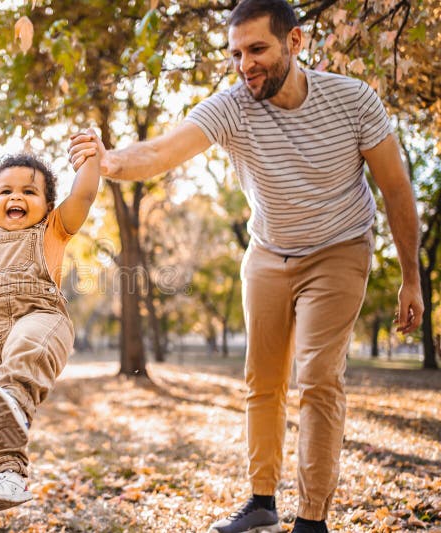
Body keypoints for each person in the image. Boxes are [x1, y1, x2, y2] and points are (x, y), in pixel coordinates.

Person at [69, 1, 422, 531]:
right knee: (262, 380)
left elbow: (396, 189)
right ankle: (262, 505)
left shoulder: (352, 101)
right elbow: (162, 152)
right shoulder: (233, 106)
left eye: (257, 49)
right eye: (237, 53)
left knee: (319, 377)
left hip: (339, 248)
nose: (245, 65)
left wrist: (411, 279)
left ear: (296, 43)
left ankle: (312, 519)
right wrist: (110, 159)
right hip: (267, 253)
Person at [0, 130, 101, 512]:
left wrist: (89, 161)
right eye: (5, 192)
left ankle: (15, 400)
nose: (16, 197)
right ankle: (4, 475)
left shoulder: (52, 229)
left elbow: (83, 195)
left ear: (49, 205)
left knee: (26, 347)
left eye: (29, 192)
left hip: (41, 319)